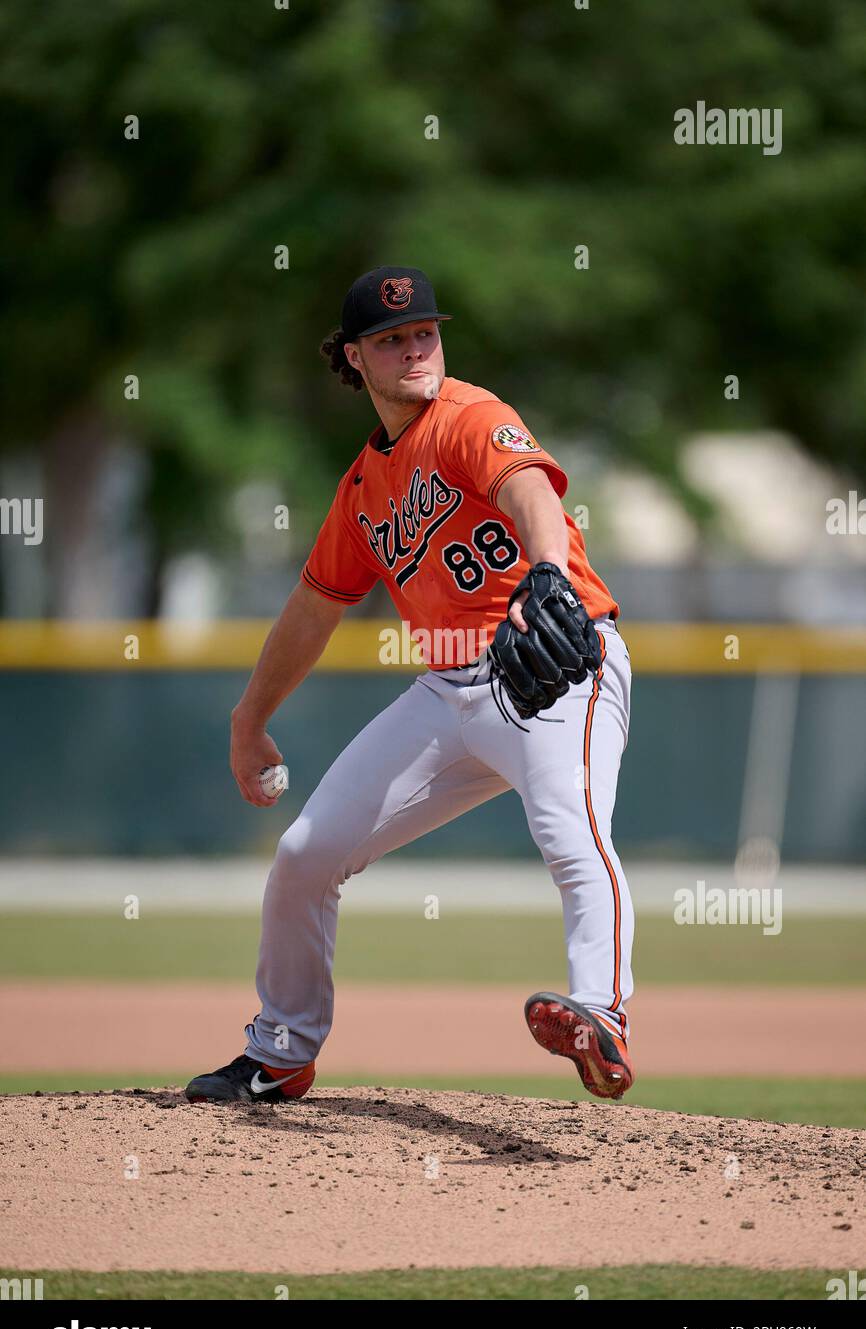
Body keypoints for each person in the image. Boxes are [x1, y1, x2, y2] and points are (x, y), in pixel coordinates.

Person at [186, 266, 634, 1105]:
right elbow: (313, 608)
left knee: (571, 833)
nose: (414, 347)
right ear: (354, 359)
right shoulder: (363, 488)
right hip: (449, 688)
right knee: (304, 855)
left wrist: (546, 573)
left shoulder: (471, 416)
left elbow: (530, 489)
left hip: (554, 662)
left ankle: (603, 1013)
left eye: (423, 330)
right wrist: (250, 718)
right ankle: (280, 1051)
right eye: (391, 339)